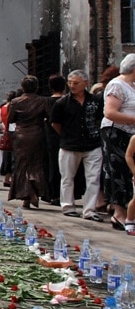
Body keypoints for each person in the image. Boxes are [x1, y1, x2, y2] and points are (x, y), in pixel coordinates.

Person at [51, 70, 104, 220]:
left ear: (86, 84)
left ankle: (90, 209)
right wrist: (67, 135)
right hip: (69, 144)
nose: (72, 86)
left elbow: (99, 119)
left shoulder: (95, 101)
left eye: (76, 83)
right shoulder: (62, 103)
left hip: (92, 143)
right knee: (67, 177)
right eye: (70, 83)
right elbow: (55, 123)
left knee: (93, 178)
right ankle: (68, 206)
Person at [100, 54, 135, 229]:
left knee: (130, 173)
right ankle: (118, 213)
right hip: (115, 132)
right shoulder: (117, 85)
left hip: (131, 134)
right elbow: (110, 113)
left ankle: (129, 212)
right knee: (118, 171)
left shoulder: (132, 86)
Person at [7, 76, 47, 209]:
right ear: (36, 87)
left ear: (22, 87)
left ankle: (27, 194)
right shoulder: (43, 101)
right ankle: (32, 191)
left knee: (21, 165)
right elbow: (49, 117)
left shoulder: (15, 102)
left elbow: (11, 119)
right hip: (37, 134)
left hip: (21, 135)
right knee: (36, 165)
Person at [43, 75, 66, 206]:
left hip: (50, 137)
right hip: (65, 136)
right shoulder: (67, 101)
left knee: (52, 164)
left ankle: (53, 193)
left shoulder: (46, 102)